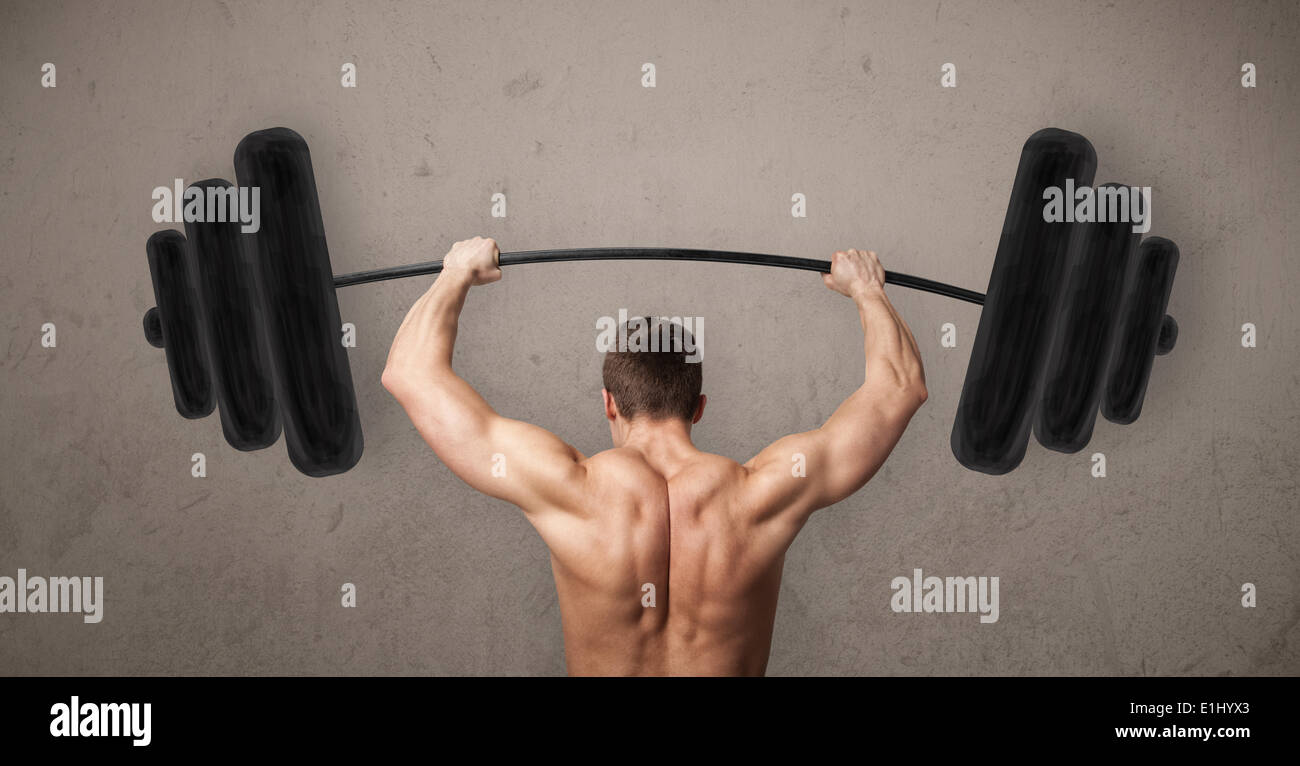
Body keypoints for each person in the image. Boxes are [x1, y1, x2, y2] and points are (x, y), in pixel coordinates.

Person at [382, 237, 927, 675]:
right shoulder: (762, 493)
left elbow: (410, 373)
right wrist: (868, 291)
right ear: (700, 407)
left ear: (609, 404)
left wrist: (455, 273)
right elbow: (898, 390)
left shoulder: (568, 488)